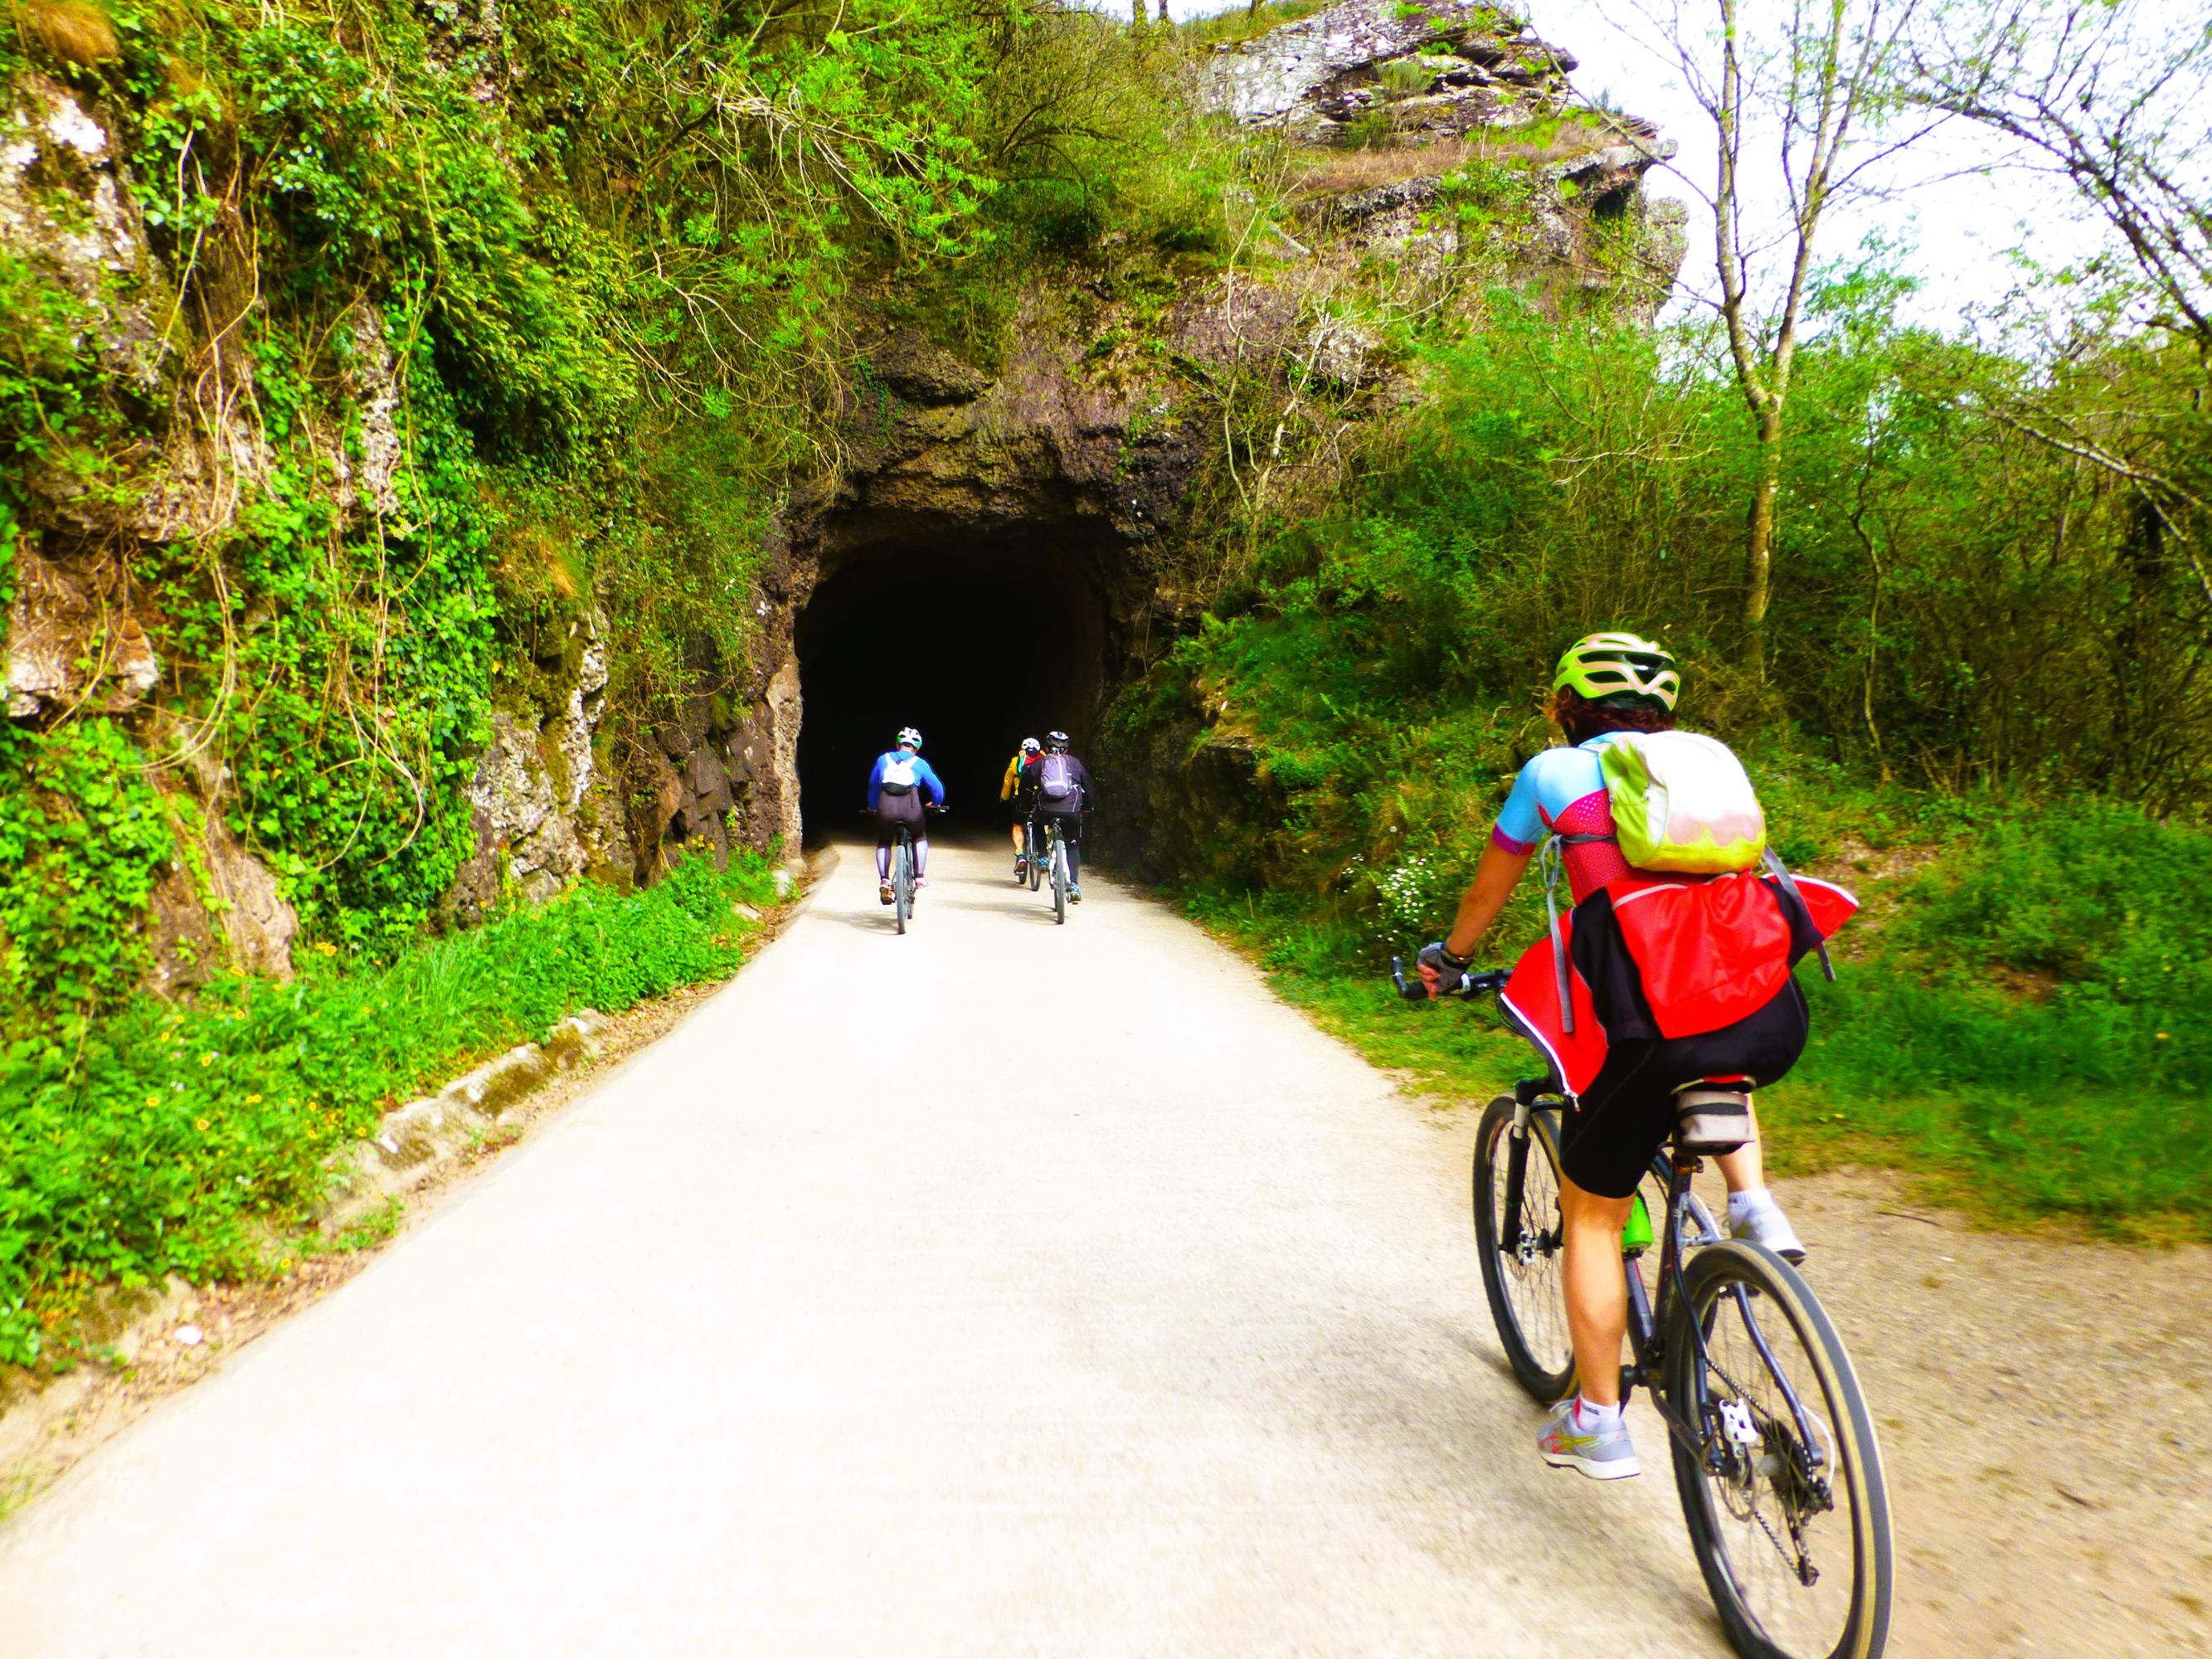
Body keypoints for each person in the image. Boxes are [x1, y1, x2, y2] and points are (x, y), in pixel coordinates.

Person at [1416, 633, 1854, 1483]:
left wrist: (1453, 958)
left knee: (1594, 1213)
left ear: (1566, 707)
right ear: (1667, 711)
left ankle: (1598, 1420)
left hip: (1640, 1022)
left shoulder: (1552, 774)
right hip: (1760, 1005)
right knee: (1715, 1045)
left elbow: (1487, 891)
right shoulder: (1709, 762)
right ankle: (1757, 1206)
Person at [867, 726, 946, 906]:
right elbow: (937, 789)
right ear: (917, 748)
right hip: (911, 810)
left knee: (885, 840)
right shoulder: (920, 763)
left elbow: (873, 786)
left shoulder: (882, 760)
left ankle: (885, 880)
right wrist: (935, 803)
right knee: (919, 836)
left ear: (897, 744)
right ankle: (919, 877)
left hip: (886, 809)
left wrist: (873, 807)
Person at [1032, 730, 1093, 902]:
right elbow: (1088, 786)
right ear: (1066, 750)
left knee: (1035, 821)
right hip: (1071, 811)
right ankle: (1074, 884)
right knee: (1072, 846)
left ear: (1045, 748)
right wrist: (1087, 806)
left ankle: (1043, 857)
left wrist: (1023, 805)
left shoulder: (1039, 763)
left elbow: (1026, 786)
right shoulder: (1075, 763)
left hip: (1045, 810)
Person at [1001, 737, 1043, 880]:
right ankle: (1046, 848)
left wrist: (1004, 797)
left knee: (1018, 825)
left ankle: (1020, 853)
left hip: (1022, 799)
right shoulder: (1046, 760)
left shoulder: (1016, 761)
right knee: (1043, 822)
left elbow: (1007, 782)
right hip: (1041, 798)